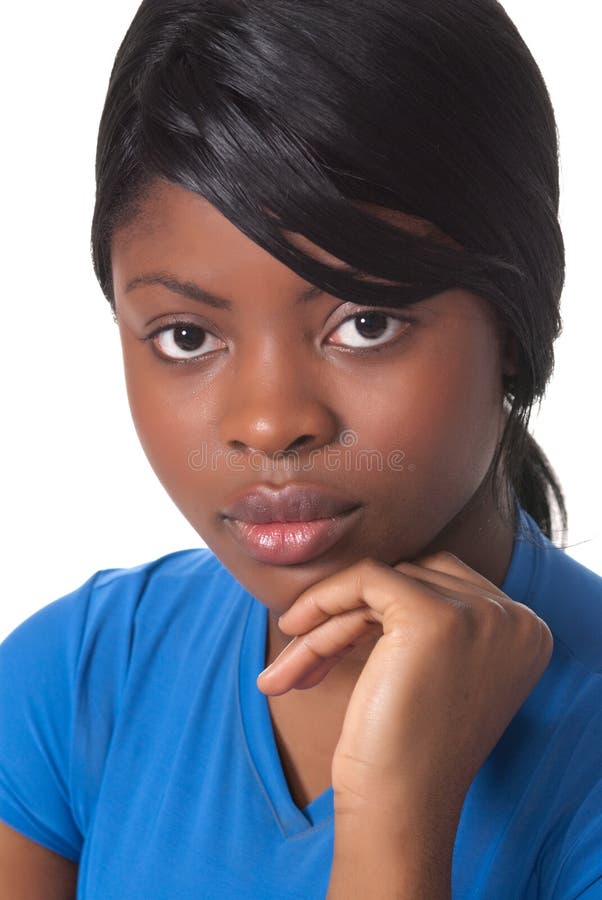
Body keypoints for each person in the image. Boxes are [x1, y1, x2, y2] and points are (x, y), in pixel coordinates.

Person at [1, 0, 601, 897]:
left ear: (513, 323)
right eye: (186, 337)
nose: (270, 423)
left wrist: (398, 820)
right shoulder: (78, 678)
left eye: (366, 322)